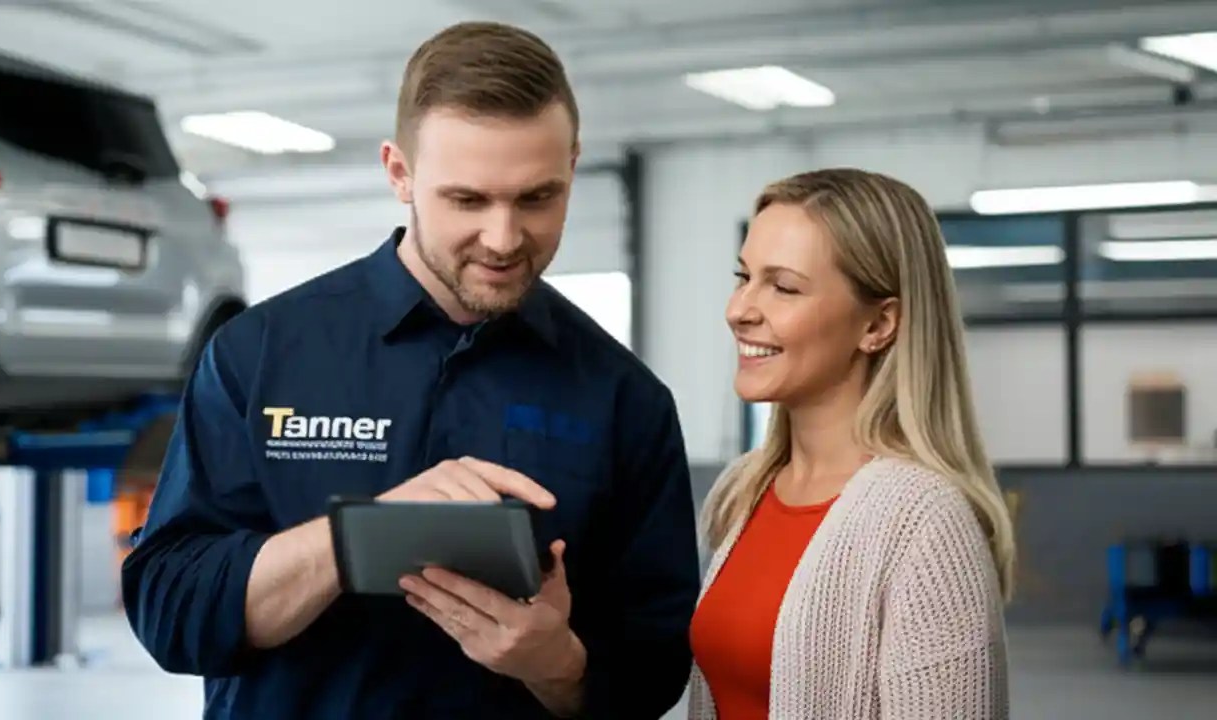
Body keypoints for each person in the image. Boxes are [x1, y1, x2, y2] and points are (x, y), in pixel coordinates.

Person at [121, 20, 700, 720]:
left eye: (537, 198)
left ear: (572, 167)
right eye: (468, 200)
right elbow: (171, 612)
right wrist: (364, 534)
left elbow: (655, 668)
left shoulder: (624, 398)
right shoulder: (261, 353)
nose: (504, 238)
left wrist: (559, 665)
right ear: (400, 173)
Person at [687, 168, 1013, 719]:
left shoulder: (925, 524)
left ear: (879, 325)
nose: (739, 308)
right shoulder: (743, 492)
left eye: (783, 287)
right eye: (744, 276)